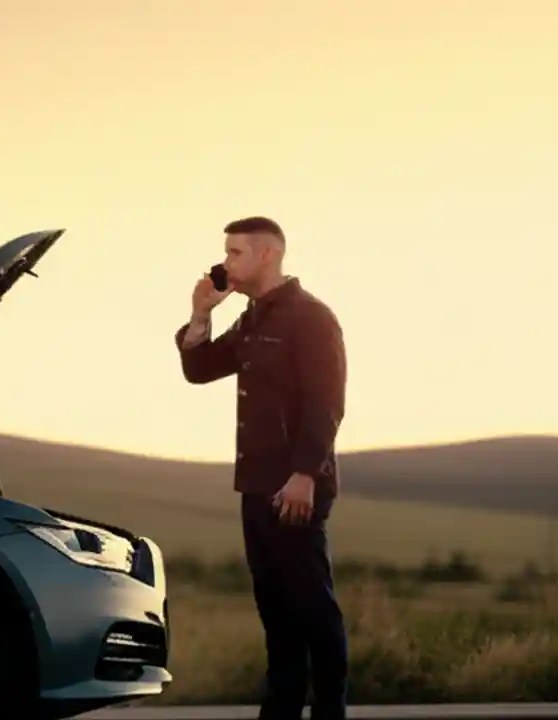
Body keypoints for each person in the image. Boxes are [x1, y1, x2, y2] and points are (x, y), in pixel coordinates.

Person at [174, 216, 349, 720]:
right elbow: (200, 369)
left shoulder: (310, 317)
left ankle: (331, 710)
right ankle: (281, 709)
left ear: (267, 255)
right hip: (255, 485)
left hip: (296, 484)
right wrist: (200, 316)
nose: (224, 263)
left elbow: (326, 403)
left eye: (234, 253)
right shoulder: (254, 318)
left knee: (312, 604)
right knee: (275, 609)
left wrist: (305, 475)